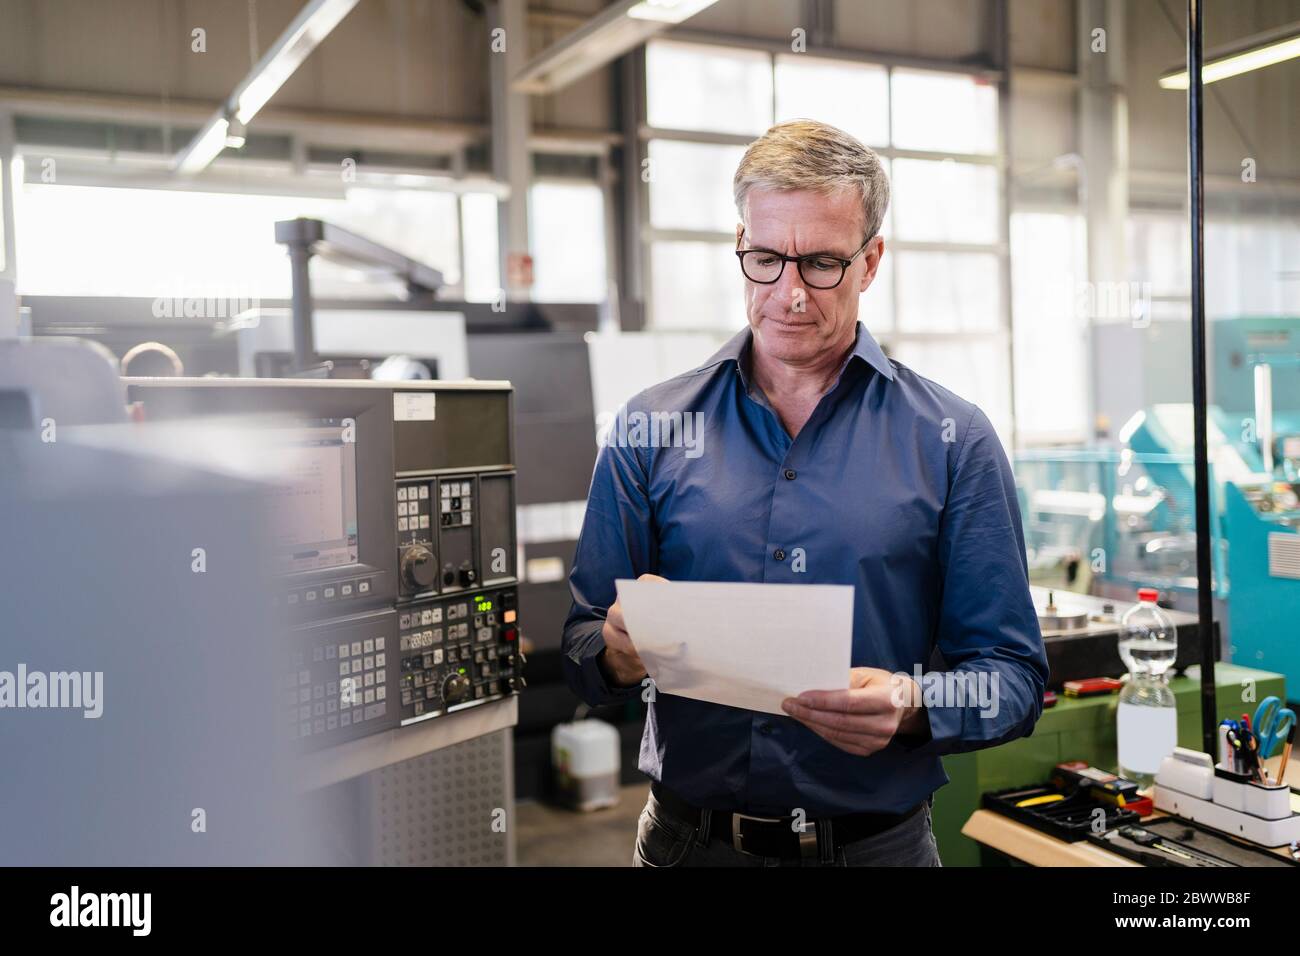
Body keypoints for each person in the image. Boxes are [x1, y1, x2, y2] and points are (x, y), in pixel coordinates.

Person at [562, 119, 1048, 867]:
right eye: (765, 260)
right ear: (739, 246)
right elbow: (580, 642)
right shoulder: (649, 428)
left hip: (875, 851)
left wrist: (912, 706)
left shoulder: (953, 439)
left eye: (821, 263)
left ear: (870, 259)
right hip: (690, 846)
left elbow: (1013, 679)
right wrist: (622, 654)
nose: (789, 294)